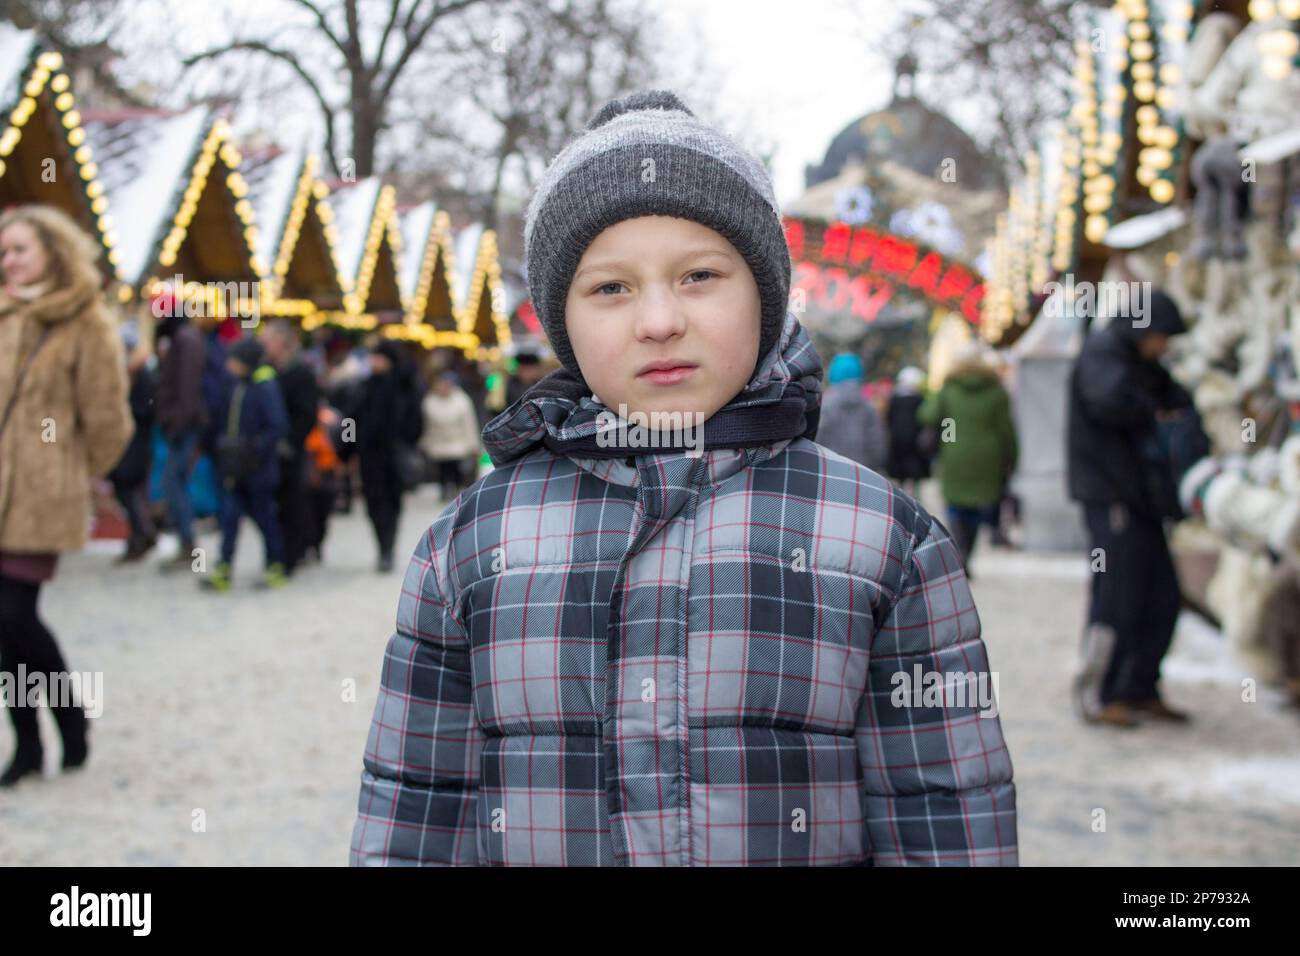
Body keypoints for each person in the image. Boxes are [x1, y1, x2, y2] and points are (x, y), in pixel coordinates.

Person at [350, 90, 1016, 866]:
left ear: (763, 298)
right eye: (611, 287)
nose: (659, 320)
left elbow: (946, 810)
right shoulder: (468, 543)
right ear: (561, 321)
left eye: (699, 275)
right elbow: (415, 806)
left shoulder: (883, 539)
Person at [0, 205, 133, 787]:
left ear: (53, 250)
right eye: (2, 252)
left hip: (40, 496)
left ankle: (68, 722)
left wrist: (69, 472)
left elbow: (109, 421)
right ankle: (29, 742)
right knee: (3, 627)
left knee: (13, 614)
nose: (8, 260)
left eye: (19, 249)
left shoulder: (85, 321)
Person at [1067, 290, 1195, 728]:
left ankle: (1139, 687)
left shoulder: (1134, 360)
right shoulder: (1103, 353)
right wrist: (1155, 409)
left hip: (1140, 498)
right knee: (1117, 594)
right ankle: (1099, 692)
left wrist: (1171, 400)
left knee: (1161, 594)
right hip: (1112, 496)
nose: (1165, 348)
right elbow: (1110, 403)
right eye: (1163, 337)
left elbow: (1168, 392)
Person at [919, 342, 1018, 573]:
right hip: (987, 456)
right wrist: (1012, 456)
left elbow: (927, 414)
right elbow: (1005, 430)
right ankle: (967, 553)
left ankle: (958, 549)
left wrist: (949, 425)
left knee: (955, 504)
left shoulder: (949, 389)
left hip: (953, 453)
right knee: (976, 506)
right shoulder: (996, 391)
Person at [202, 337, 289, 592]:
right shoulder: (235, 385)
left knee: (265, 519)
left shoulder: (264, 386)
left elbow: (277, 426)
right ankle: (223, 568)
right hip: (234, 469)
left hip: (257, 470)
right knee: (229, 519)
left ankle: (276, 565)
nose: (229, 364)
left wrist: (253, 449)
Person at [345, 339, 423, 572]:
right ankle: (383, 547)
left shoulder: (405, 387)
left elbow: (415, 420)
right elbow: (349, 420)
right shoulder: (363, 387)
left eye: (378, 358)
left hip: (394, 456)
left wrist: (408, 442)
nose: (374, 362)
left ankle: (388, 549)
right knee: (374, 504)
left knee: (392, 502)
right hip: (370, 456)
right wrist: (348, 447)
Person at [154, 291, 209, 571]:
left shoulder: (185, 340)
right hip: (182, 424)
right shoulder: (186, 338)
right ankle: (185, 543)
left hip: (183, 426)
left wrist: (177, 422)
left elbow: (187, 388)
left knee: (174, 484)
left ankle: (188, 544)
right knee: (173, 483)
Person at [263, 319, 320, 576]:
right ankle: (281, 552)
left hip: (291, 450)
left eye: (268, 340)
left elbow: (307, 415)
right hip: (269, 449)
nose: (264, 345)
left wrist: (290, 442)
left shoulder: (301, 373)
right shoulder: (267, 371)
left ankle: (293, 553)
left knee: (292, 500)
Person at [108, 320, 159, 562]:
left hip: (136, 441)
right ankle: (140, 533)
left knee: (128, 486)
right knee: (126, 488)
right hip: (127, 441)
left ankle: (142, 533)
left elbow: (146, 409)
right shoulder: (125, 373)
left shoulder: (141, 374)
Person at [816, 351, 888, 471]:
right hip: (863, 471)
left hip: (830, 469)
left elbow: (819, 438)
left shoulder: (826, 405)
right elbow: (876, 442)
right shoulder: (868, 406)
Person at [419, 371, 481, 501]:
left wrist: (473, 444)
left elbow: (468, 424)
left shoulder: (462, 401)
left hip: (457, 443)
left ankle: (456, 490)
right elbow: (427, 425)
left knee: (456, 469)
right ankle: (444, 490)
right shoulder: (430, 401)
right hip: (438, 443)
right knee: (443, 469)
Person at [886, 365, 932, 495]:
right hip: (916, 448)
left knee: (900, 484)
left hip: (898, 446)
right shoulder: (921, 400)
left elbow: (888, 421)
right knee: (916, 485)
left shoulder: (893, 400)